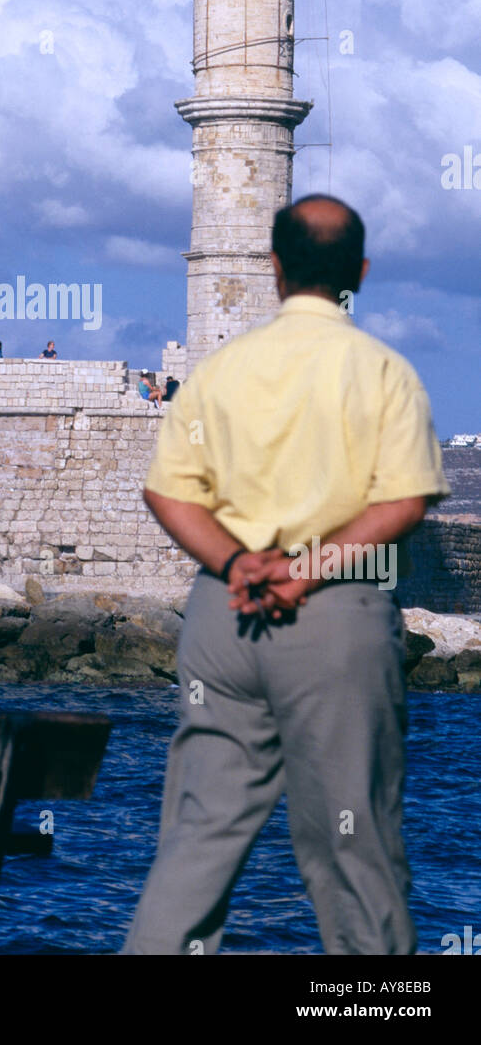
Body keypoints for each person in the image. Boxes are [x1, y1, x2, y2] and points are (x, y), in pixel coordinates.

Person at [123, 195, 450, 956]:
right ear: (359, 274)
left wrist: (239, 562)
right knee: (352, 841)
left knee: (199, 835)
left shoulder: (221, 371)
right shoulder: (382, 372)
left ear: (273, 268)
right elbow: (404, 500)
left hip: (222, 615)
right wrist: (308, 571)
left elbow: (167, 492)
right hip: (334, 617)